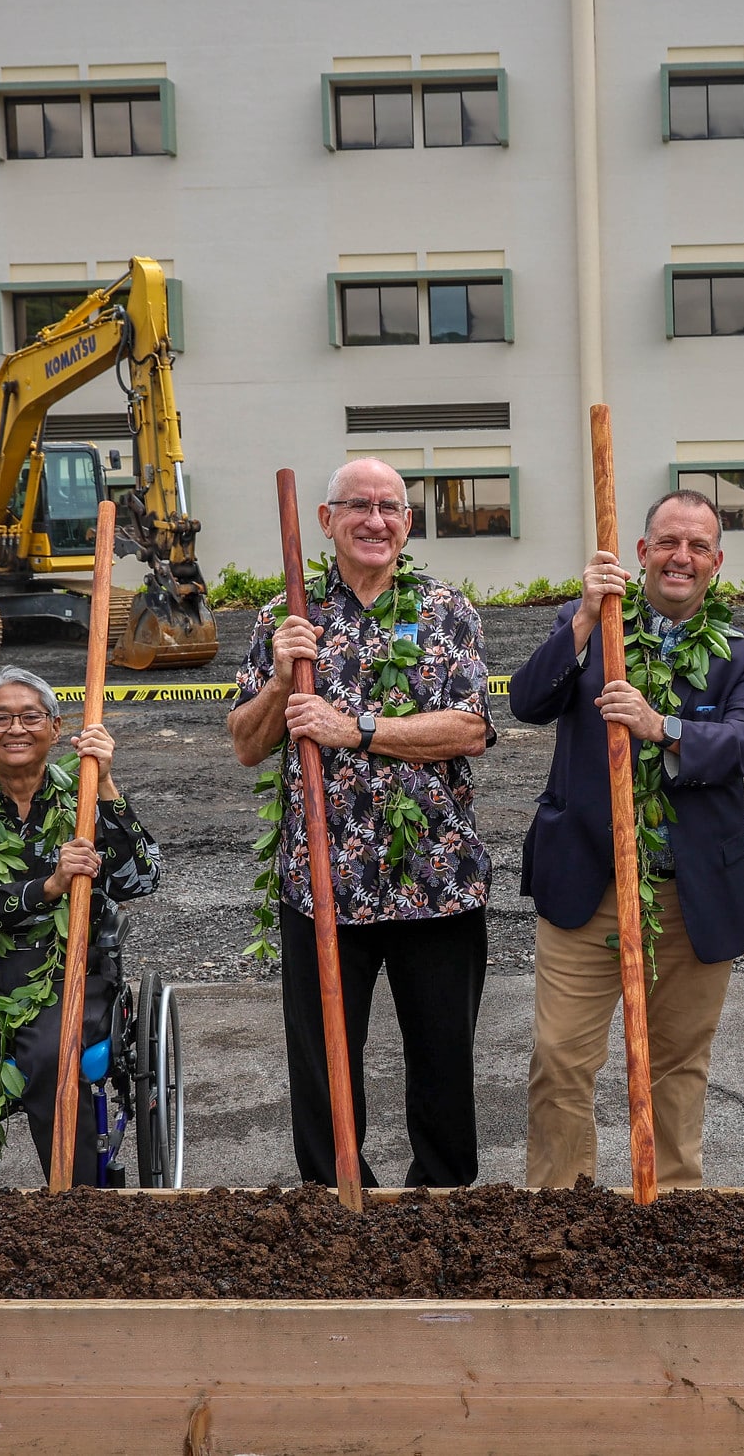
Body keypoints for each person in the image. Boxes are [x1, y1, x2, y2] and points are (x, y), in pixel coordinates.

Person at [229, 457, 494, 1188]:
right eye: (358, 506)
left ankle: (441, 1203)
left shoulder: (447, 611)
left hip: (435, 882)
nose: (375, 521)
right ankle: (336, 1200)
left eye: (389, 508)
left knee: (443, 1061)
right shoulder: (285, 618)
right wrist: (281, 679)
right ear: (326, 520)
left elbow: (470, 729)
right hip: (323, 885)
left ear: (407, 523)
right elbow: (247, 744)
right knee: (322, 1066)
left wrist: (355, 729)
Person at [508, 489, 744, 1189]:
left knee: (677, 1067)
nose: (680, 557)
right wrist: (581, 618)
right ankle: (560, 1210)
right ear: (641, 553)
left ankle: (671, 1209)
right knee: (560, 1058)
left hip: (691, 895)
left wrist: (663, 728)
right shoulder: (590, 625)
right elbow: (526, 703)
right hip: (587, 884)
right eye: (667, 543)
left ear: (716, 561)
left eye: (697, 546)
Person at [0, 668, 161, 1187]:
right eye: (0, 718)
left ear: (55, 726)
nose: (16, 729)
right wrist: (48, 887)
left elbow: (141, 879)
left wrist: (106, 783)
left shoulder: (83, 798)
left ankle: (77, 1205)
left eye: (30, 716)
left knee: (55, 1054)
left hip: (69, 968)